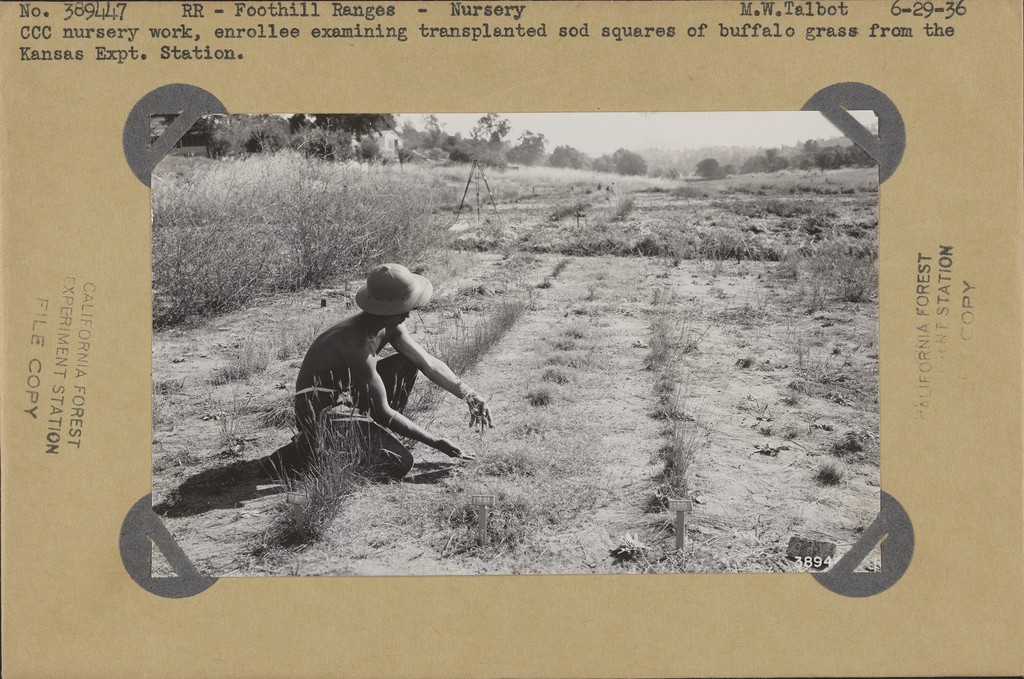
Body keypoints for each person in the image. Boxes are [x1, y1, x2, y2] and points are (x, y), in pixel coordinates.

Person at [268, 263, 492, 480]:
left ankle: (360, 436)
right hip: (319, 410)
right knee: (398, 463)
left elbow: (427, 362)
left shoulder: (390, 326)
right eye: (403, 310)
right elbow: (384, 412)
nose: (408, 315)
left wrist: (469, 394)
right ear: (383, 311)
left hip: (347, 395)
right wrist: (435, 441)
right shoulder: (355, 343)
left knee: (406, 363)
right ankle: (309, 449)